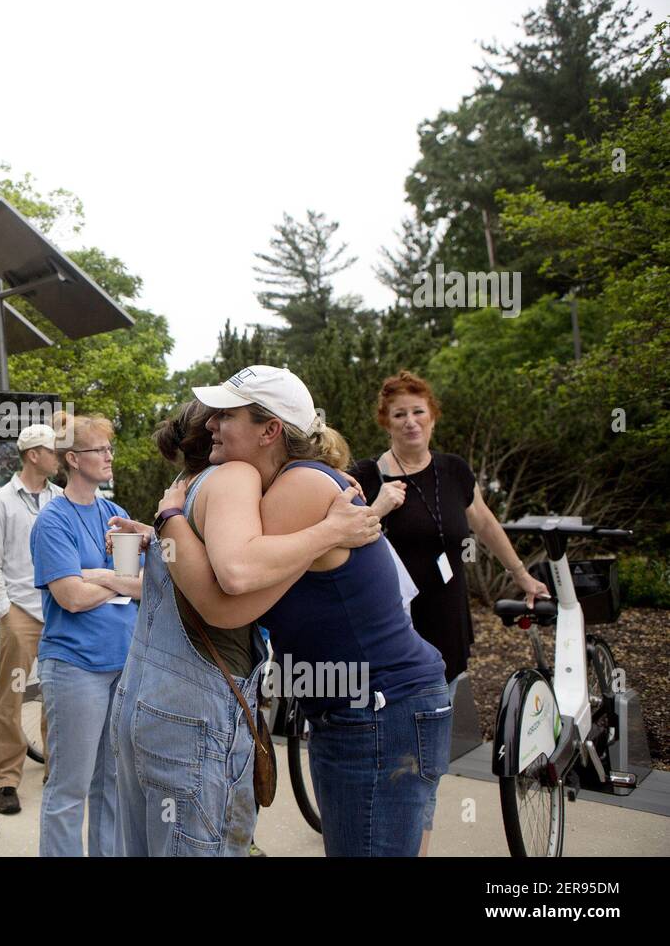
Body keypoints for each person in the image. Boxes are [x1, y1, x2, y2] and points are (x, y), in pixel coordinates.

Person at [162, 365, 452, 857]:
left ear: (270, 430)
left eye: (225, 415)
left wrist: (171, 518)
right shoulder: (298, 486)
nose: (210, 424)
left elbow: (228, 591)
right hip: (377, 706)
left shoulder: (302, 487)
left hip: (378, 710)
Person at [107, 401, 378, 856]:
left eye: (226, 417)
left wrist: (163, 531)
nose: (219, 425)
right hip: (196, 708)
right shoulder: (234, 478)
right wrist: (327, 530)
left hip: (141, 699)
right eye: (218, 418)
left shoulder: (182, 490)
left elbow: (204, 561)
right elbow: (229, 585)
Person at [350, 371, 550, 682]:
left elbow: (484, 522)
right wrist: (378, 508)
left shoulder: (454, 470)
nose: (410, 421)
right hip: (394, 619)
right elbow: (345, 541)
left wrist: (522, 575)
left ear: (432, 417)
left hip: (448, 612)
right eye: (399, 414)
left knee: (447, 697)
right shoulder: (366, 475)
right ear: (386, 423)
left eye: (418, 411)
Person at [29, 412, 141, 857]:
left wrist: (101, 576)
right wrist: (114, 579)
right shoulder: (53, 521)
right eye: (101, 449)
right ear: (73, 459)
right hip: (76, 668)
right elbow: (70, 597)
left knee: (112, 780)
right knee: (70, 786)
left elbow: (140, 586)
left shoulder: (117, 514)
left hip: (123, 662)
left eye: (110, 448)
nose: (110, 456)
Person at [0, 423, 62, 815]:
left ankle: (55, 771)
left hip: (60, 611)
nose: (58, 457)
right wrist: (6, 613)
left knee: (58, 694)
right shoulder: (0, 501)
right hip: (21, 613)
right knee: (10, 697)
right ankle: (6, 778)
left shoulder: (61, 498)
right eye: (51, 451)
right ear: (33, 455)